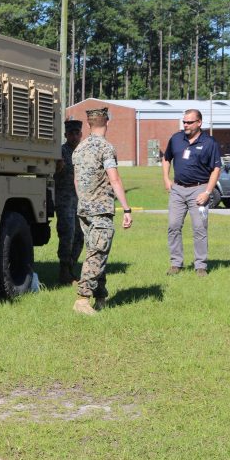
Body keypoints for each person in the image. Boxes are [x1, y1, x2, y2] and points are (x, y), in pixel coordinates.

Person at [72, 107, 133, 315]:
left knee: (96, 251)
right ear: (107, 121)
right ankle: (82, 300)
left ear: (89, 123)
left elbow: (76, 181)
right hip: (101, 210)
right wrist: (126, 208)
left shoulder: (79, 148)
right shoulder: (106, 147)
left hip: (84, 209)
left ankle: (100, 298)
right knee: (97, 253)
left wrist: (84, 201)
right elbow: (114, 179)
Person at [162, 109, 222, 277]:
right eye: (184, 122)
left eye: (189, 122)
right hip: (178, 190)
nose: (186, 125)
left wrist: (207, 192)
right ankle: (176, 264)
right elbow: (166, 158)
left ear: (199, 122)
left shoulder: (209, 142)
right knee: (173, 226)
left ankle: (200, 266)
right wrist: (166, 179)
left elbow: (216, 168)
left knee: (200, 228)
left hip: (199, 190)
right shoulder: (176, 138)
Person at [54, 119, 84, 284]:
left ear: (81, 134)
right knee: (67, 234)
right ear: (66, 135)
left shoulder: (83, 152)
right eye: (71, 133)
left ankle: (71, 268)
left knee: (80, 236)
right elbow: (52, 172)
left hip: (81, 201)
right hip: (65, 201)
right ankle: (64, 271)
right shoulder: (60, 152)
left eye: (77, 133)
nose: (74, 136)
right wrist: (58, 167)